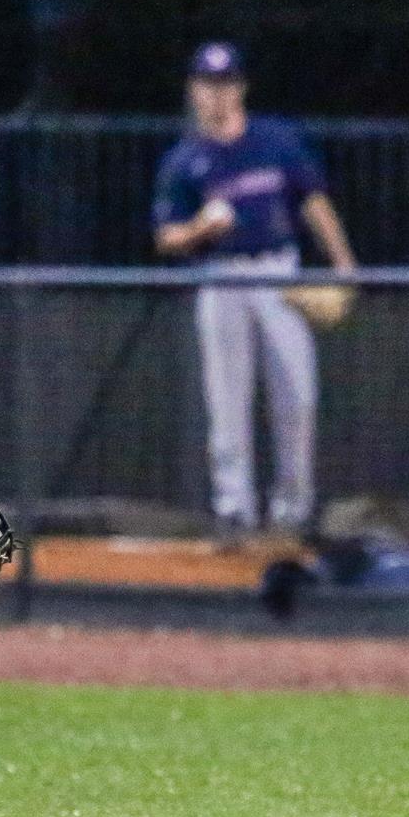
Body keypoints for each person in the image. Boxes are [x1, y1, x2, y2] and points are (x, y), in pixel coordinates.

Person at [151, 42, 357, 546]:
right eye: (207, 85)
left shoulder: (274, 141)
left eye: (225, 84)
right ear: (194, 91)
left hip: (277, 271)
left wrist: (344, 264)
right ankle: (235, 512)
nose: (217, 94)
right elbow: (166, 238)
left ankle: (292, 512)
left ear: (241, 88)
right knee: (227, 401)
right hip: (220, 277)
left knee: (297, 394)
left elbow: (312, 201)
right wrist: (200, 228)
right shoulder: (185, 161)